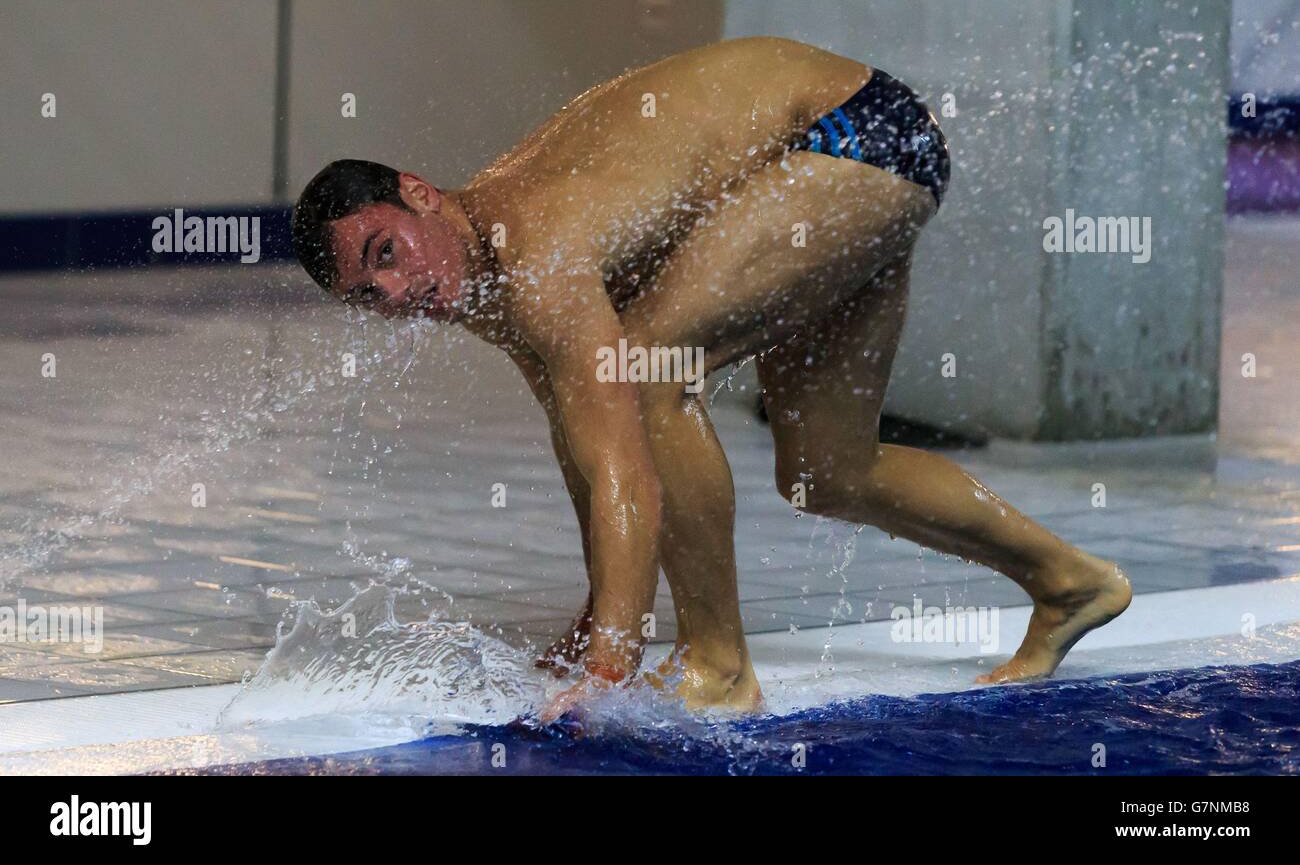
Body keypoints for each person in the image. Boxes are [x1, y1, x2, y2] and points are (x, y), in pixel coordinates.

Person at [290, 37, 1132, 719]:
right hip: (863, 154)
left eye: (386, 253)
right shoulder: (488, 292)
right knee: (828, 471)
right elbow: (586, 448)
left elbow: (624, 461)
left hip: (845, 134)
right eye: (370, 294)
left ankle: (720, 665)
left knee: (651, 369)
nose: (397, 293)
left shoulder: (533, 248)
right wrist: (598, 623)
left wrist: (613, 668)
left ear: (419, 195)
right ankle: (1069, 583)